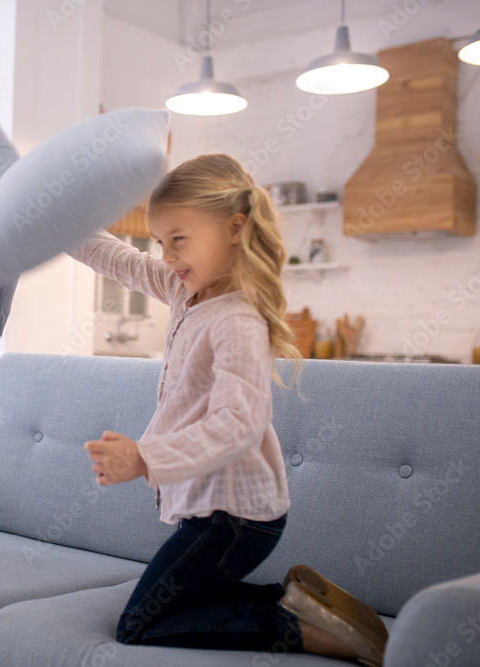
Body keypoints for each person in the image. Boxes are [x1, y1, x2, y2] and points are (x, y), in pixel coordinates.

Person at [70, 154, 388, 666]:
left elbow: (239, 425)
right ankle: (295, 602)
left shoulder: (237, 318)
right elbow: (118, 260)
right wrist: (54, 226)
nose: (168, 255)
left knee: (138, 625)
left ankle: (303, 631)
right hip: (215, 511)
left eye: (180, 238)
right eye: (160, 242)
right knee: (178, 604)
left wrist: (146, 458)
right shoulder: (185, 291)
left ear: (234, 228)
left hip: (237, 519)